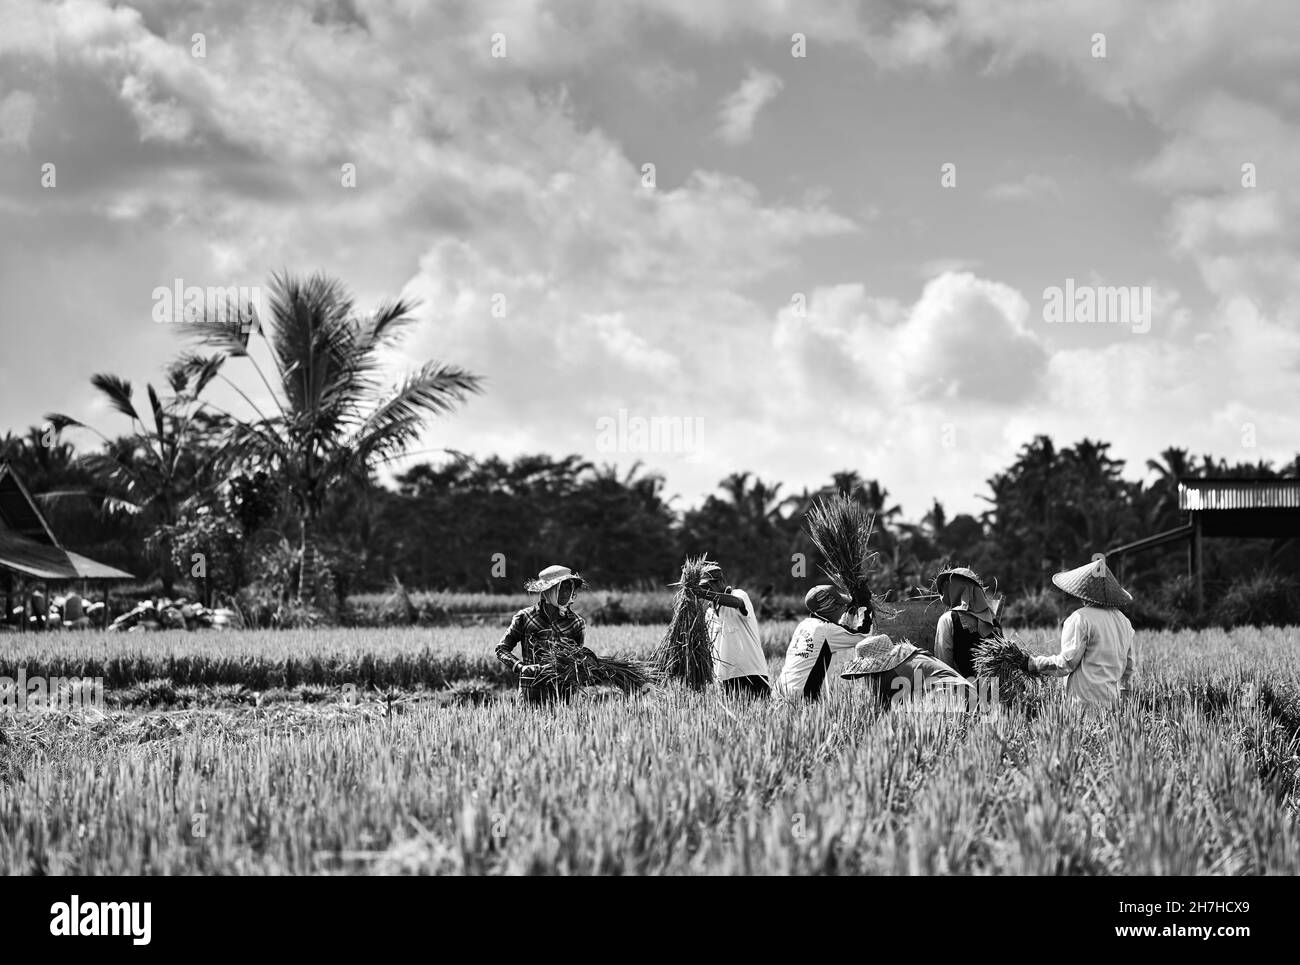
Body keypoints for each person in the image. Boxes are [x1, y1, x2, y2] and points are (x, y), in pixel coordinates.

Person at [1023, 558, 1137, 706]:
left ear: (1082, 592)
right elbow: (1129, 670)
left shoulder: (1080, 618)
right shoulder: (1124, 622)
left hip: (1083, 705)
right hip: (1111, 708)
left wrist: (1031, 663)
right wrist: (1125, 706)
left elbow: (1066, 663)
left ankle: (988, 718)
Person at [495, 564, 589, 704]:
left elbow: (577, 658)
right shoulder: (525, 617)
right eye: (561, 588)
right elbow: (501, 649)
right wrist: (521, 667)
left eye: (569, 588)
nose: (566, 593)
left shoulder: (576, 623)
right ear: (549, 590)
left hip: (563, 697)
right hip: (531, 693)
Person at [777, 585, 878, 701]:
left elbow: (842, 628)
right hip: (800, 698)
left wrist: (851, 612)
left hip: (780, 691)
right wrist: (864, 606)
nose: (844, 608)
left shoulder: (805, 625)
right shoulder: (826, 630)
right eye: (841, 605)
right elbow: (864, 635)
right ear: (831, 608)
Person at [691, 562, 770, 698]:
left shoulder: (738, 595)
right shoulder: (709, 613)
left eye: (708, 586)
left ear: (721, 581)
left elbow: (736, 603)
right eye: (703, 588)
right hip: (724, 678)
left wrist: (704, 594)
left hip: (752, 673)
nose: (706, 591)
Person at [933, 567, 1003, 680]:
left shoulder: (948, 619)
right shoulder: (992, 618)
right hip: (996, 689)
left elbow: (943, 665)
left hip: (965, 691)